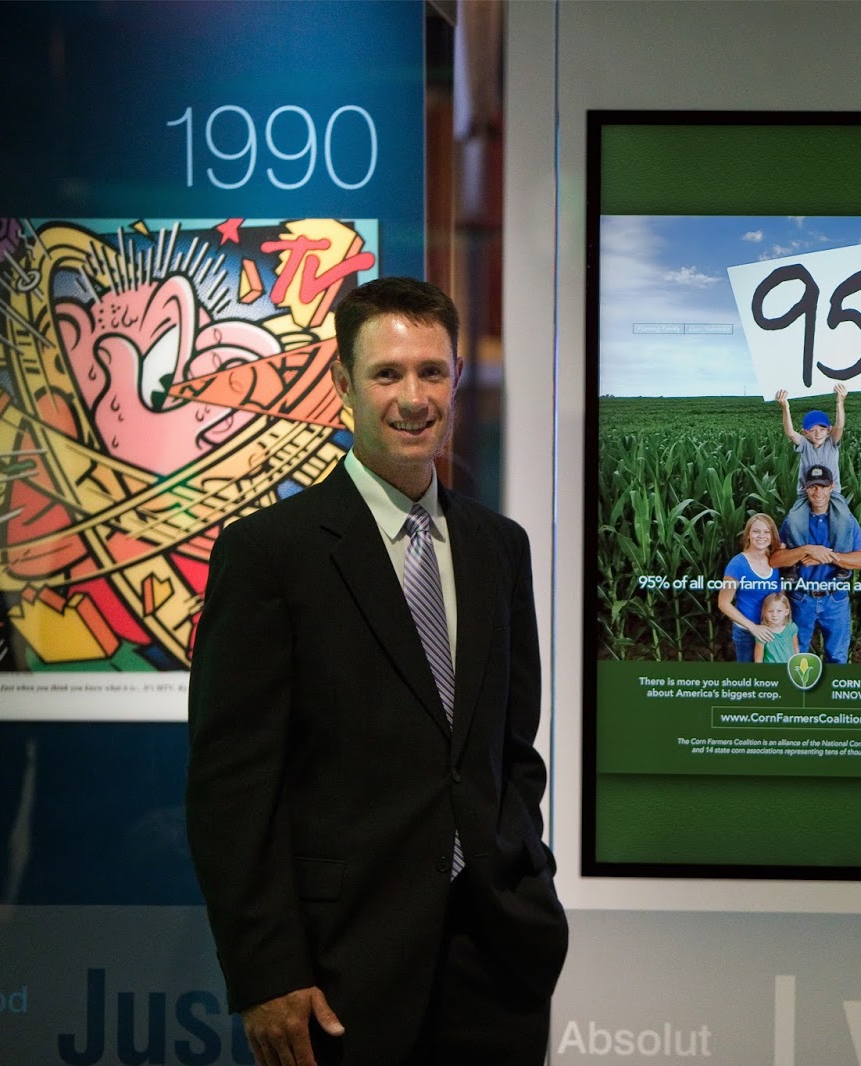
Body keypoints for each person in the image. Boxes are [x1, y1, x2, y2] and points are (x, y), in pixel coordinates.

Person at [186, 277, 567, 1066]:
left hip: (496, 965)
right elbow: (233, 788)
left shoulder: (501, 547)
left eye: (432, 371)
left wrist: (522, 872)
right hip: (339, 974)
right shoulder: (269, 554)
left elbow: (508, 753)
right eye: (387, 374)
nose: (412, 397)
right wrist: (266, 971)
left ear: (457, 379)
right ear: (340, 386)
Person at [771, 464, 861, 663]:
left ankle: (828, 693)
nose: (818, 492)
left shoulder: (846, 520)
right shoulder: (794, 521)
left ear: (831, 487)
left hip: (835, 598)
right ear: (806, 488)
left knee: (837, 657)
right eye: (813, 487)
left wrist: (827, 555)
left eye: (823, 486)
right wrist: (807, 549)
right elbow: (775, 560)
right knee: (795, 656)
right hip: (801, 598)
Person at [775, 384, 853, 522]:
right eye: (813, 430)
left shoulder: (832, 442)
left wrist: (840, 402)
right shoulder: (804, 444)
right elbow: (790, 433)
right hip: (806, 493)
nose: (818, 434)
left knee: (844, 519)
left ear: (829, 429)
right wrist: (785, 408)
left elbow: (840, 426)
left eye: (822, 429)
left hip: (832, 493)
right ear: (805, 432)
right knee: (793, 520)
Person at [716, 512, 783, 662]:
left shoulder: (775, 560)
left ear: (772, 537)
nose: (761, 536)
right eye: (756, 531)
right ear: (748, 535)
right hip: (747, 633)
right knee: (749, 678)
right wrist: (753, 627)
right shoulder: (738, 564)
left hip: (774, 631)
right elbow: (724, 603)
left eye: (767, 532)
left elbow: (781, 594)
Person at [752, 592, 799, 664]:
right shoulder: (763, 633)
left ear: (786, 612)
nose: (774, 615)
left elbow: (796, 649)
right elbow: (758, 660)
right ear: (764, 612)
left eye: (779, 611)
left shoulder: (791, 628)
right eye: (770, 611)